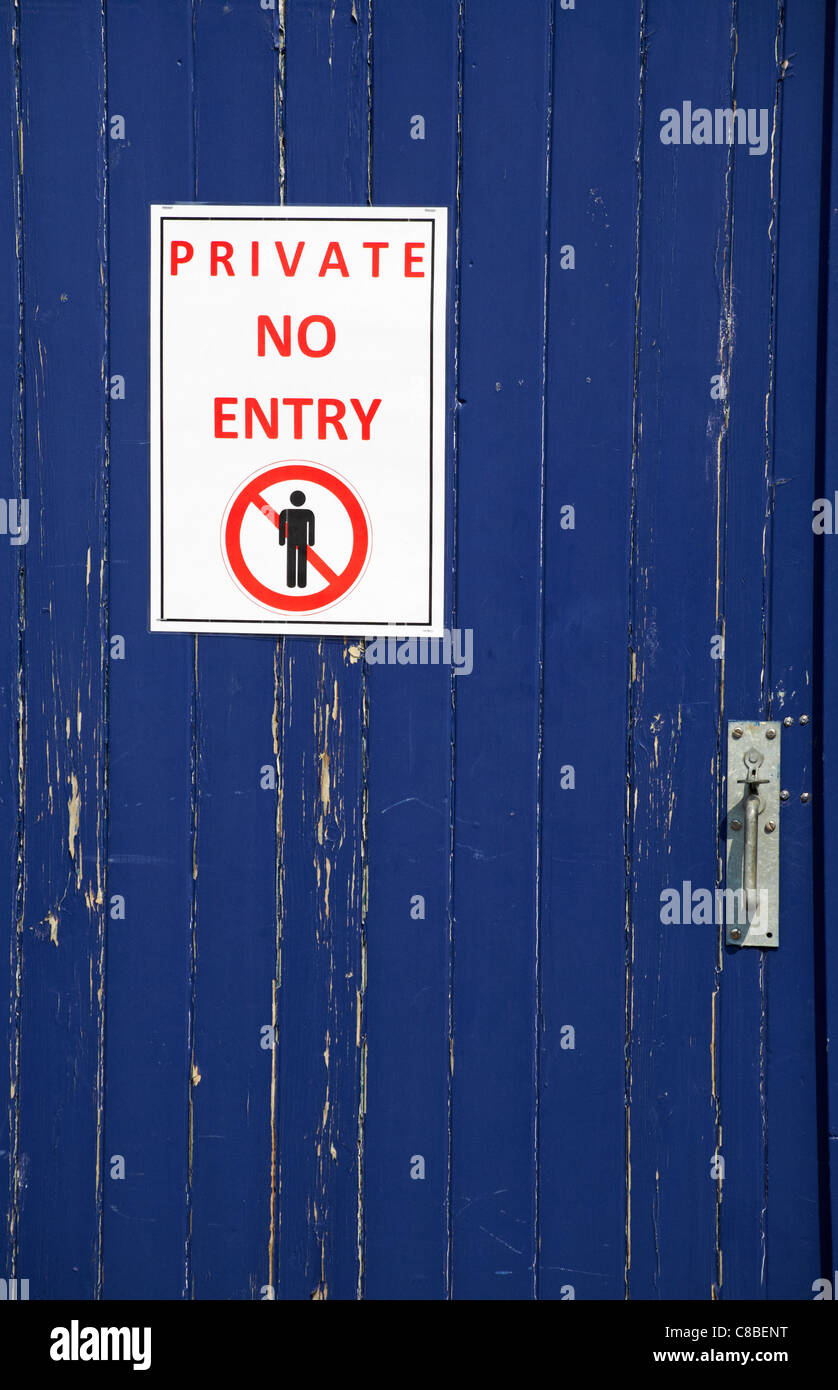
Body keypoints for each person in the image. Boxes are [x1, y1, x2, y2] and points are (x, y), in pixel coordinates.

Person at [278, 490, 315, 588]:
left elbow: (282, 526)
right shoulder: (308, 513)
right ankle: (299, 583)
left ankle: (293, 583)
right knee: (299, 560)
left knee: (293, 560)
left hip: (293, 541)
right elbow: (312, 527)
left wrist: (282, 540)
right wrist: (311, 541)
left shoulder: (286, 512)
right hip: (301, 540)